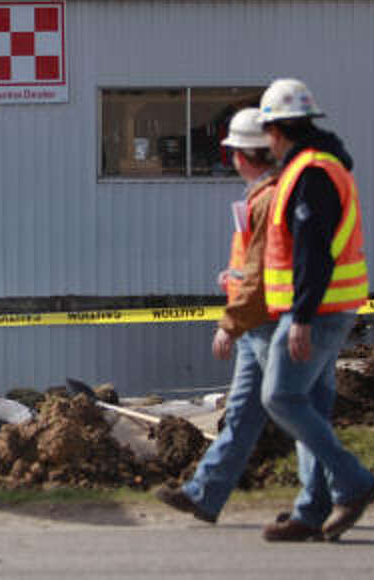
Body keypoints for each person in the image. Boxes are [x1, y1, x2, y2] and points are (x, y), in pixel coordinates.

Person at [256, 78, 374, 542]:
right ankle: (312, 511)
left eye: (267, 129)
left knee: (280, 398)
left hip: (317, 310)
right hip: (329, 306)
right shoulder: (318, 166)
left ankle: (354, 483)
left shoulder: (310, 172)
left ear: (277, 129)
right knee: (310, 405)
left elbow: (313, 251)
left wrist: (302, 316)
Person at [154, 107, 282, 524]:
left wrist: (229, 323)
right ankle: (205, 495)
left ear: (241, 156)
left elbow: (263, 273)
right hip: (257, 321)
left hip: (266, 321)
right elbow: (255, 267)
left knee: (298, 413)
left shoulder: (267, 200)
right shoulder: (262, 197)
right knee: (245, 412)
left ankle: (339, 489)